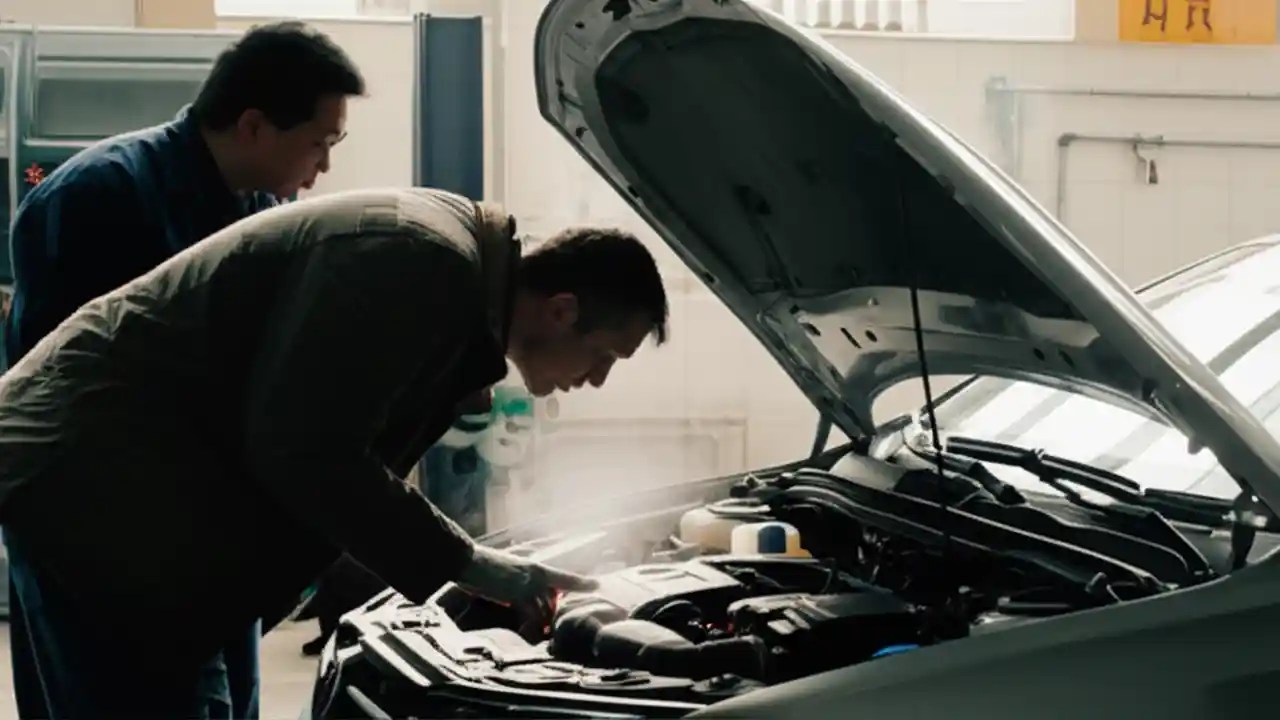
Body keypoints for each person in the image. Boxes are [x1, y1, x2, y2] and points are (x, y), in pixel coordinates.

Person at [0, 186, 669, 718]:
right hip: (95, 489)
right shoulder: (422, 261)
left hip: (135, 493)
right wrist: (470, 564)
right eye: (605, 355)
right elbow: (307, 449)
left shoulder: (453, 272)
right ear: (561, 310)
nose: (597, 380)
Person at [0, 20, 365, 720]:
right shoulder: (98, 197)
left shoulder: (255, 208)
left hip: (201, 535)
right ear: (254, 125)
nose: (323, 167)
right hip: (95, 540)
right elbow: (69, 408)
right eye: (320, 143)